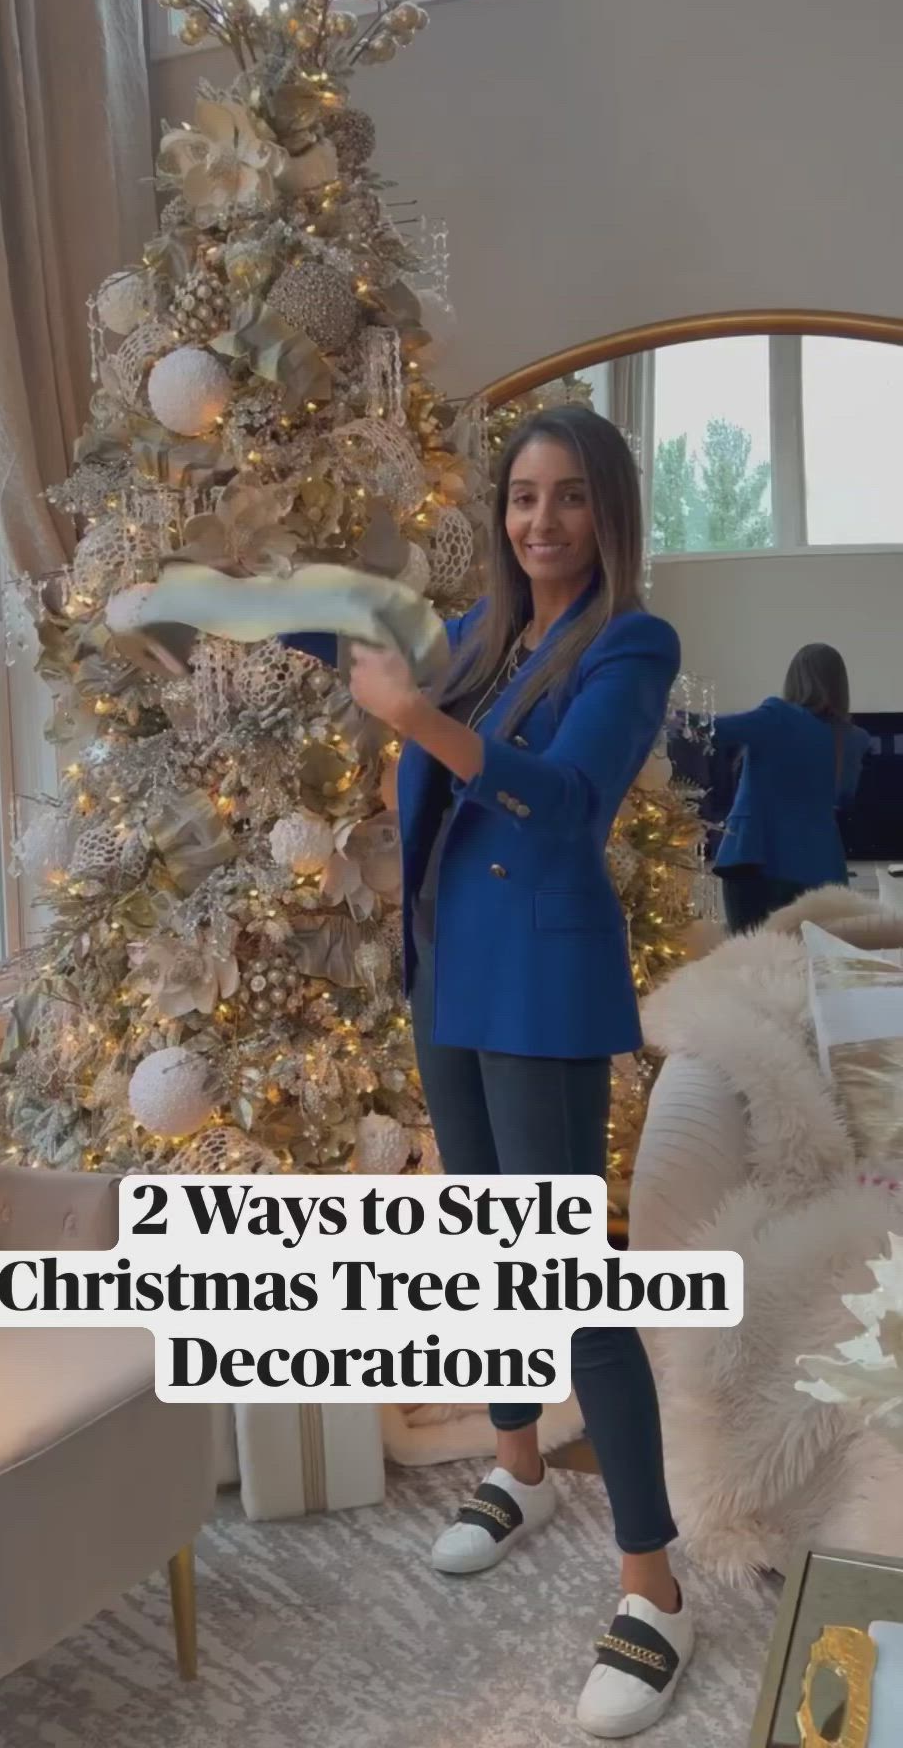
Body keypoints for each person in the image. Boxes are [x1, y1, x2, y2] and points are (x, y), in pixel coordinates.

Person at [296, 407, 690, 1738]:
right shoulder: (475, 635)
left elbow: (570, 800)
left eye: (568, 499)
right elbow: (353, 647)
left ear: (606, 514)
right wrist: (204, 599)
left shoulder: (630, 640)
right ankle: (517, 1463)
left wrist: (417, 717)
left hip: (542, 989)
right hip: (449, 979)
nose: (540, 522)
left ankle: (654, 1590)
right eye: (523, 498)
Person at [711, 643, 872, 934]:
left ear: (795, 678)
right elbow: (843, 795)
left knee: (752, 963)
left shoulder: (777, 715)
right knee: (815, 965)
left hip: (755, 857)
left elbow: (712, 730)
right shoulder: (855, 739)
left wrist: (660, 714)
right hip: (822, 868)